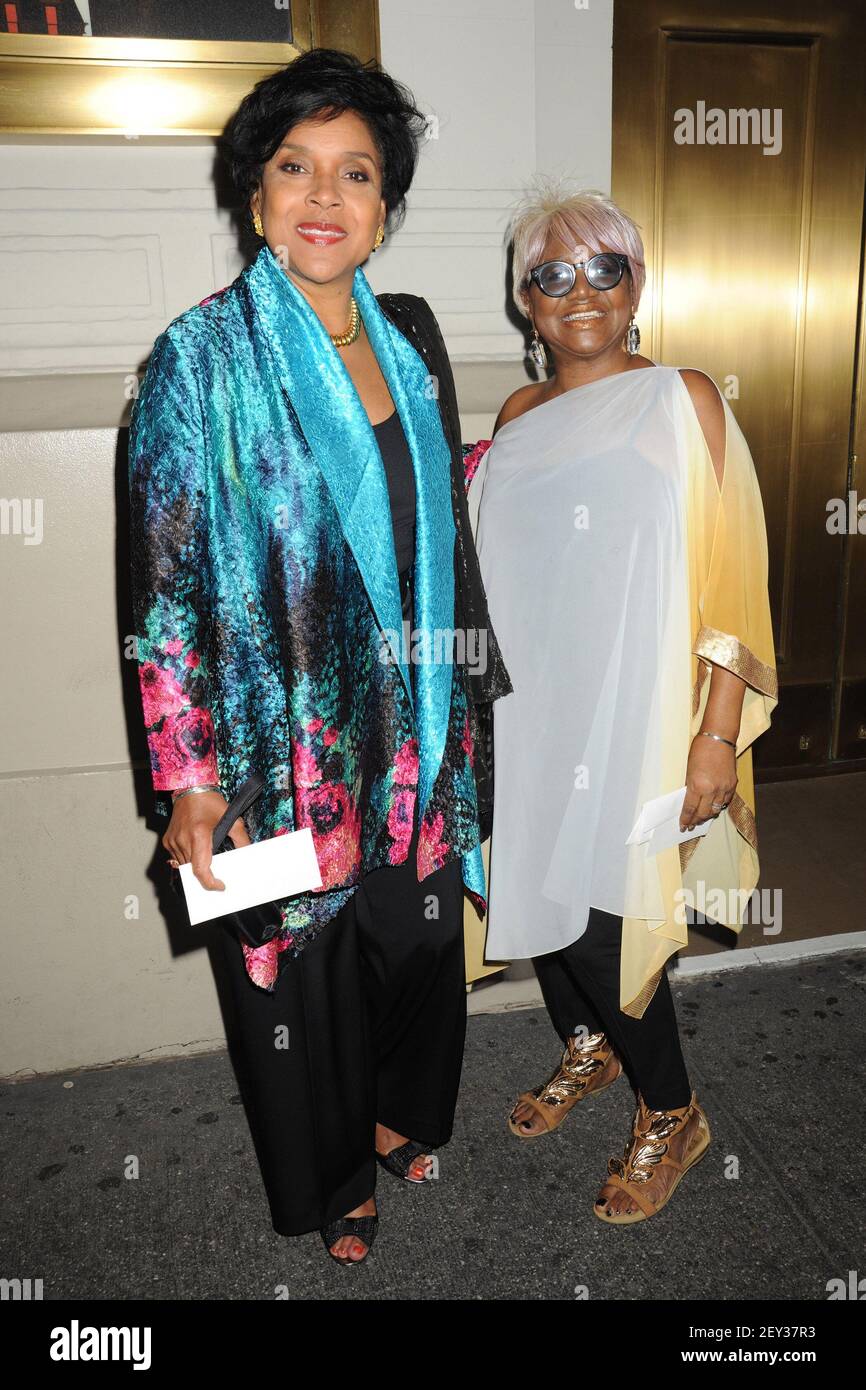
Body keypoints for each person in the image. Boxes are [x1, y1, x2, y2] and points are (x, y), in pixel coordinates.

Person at [128, 48, 510, 1264]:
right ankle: (336, 1173)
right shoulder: (202, 355)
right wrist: (188, 778)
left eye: (356, 173)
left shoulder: (412, 337)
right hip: (265, 738)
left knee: (409, 939)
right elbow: (162, 584)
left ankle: (401, 1106)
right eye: (296, 168)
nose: (325, 195)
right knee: (297, 975)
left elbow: (441, 523)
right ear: (256, 193)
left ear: (386, 207)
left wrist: (473, 695)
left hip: (416, 720)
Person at [469, 186, 777, 1224]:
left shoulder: (681, 397)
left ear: (637, 283)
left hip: (636, 711)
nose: (580, 291)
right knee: (543, 903)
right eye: (549, 275)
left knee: (607, 919)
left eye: (604, 266)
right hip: (528, 711)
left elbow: (737, 572)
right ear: (524, 302)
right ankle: (587, 1046)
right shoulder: (513, 417)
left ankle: (671, 1110)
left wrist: (715, 732)